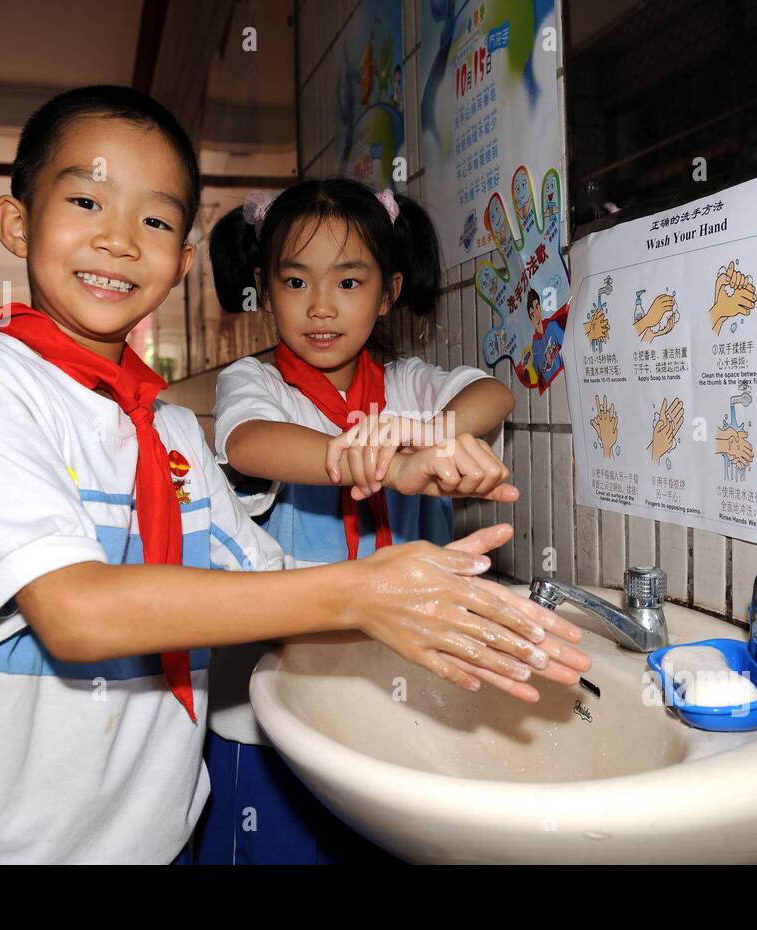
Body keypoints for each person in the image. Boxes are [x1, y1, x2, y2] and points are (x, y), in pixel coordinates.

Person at [0, 86, 589, 864]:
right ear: (17, 222)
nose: (119, 240)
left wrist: (439, 599)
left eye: (156, 221)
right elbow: (74, 612)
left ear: (184, 262)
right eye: (88, 202)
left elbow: (268, 585)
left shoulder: (167, 431)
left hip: (147, 844)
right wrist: (363, 590)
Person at [196, 177, 541, 863]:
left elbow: (492, 394)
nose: (321, 306)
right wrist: (372, 460)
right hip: (269, 709)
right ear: (263, 288)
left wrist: (429, 436)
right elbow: (250, 442)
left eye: (349, 283)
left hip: (398, 695)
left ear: (388, 293)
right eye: (296, 282)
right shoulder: (253, 383)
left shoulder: (408, 384)